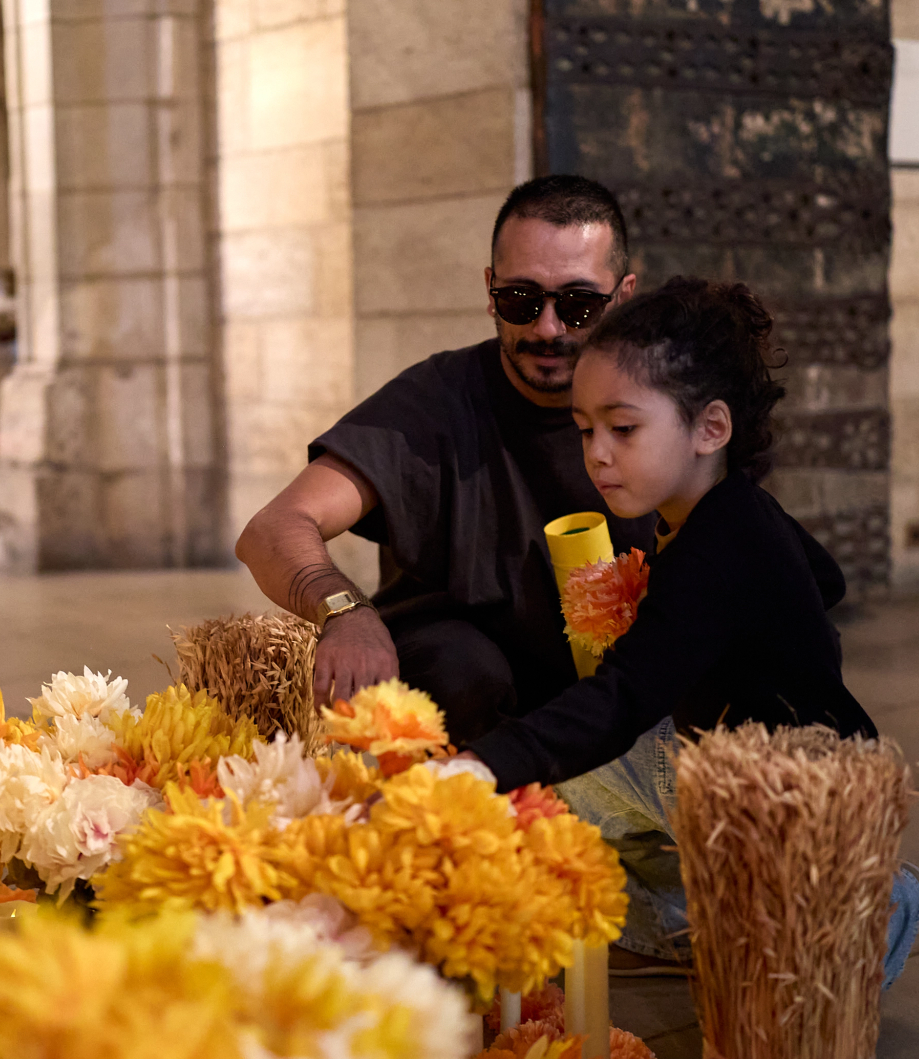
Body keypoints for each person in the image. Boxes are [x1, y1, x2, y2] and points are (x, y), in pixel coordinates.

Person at [460, 277, 919, 986]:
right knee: (574, 808)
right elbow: (825, 577)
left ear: (711, 427)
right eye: (586, 430)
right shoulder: (724, 513)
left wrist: (483, 765)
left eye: (623, 428)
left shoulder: (719, 542)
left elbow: (625, 697)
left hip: (791, 783)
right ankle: (694, 913)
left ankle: (876, 901)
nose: (598, 454)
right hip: (712, 754)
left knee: (562, 775)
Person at [235, 176, 651, 743]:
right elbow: (273, 528)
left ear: (623, 297)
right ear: (489, 290)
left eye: (579, 305)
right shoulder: (437, 398)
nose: (547, 328)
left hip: (617, 689)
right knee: (461, 671)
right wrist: (345, 612)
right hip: (464, 697)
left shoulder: (661, 404)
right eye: (520, 300)